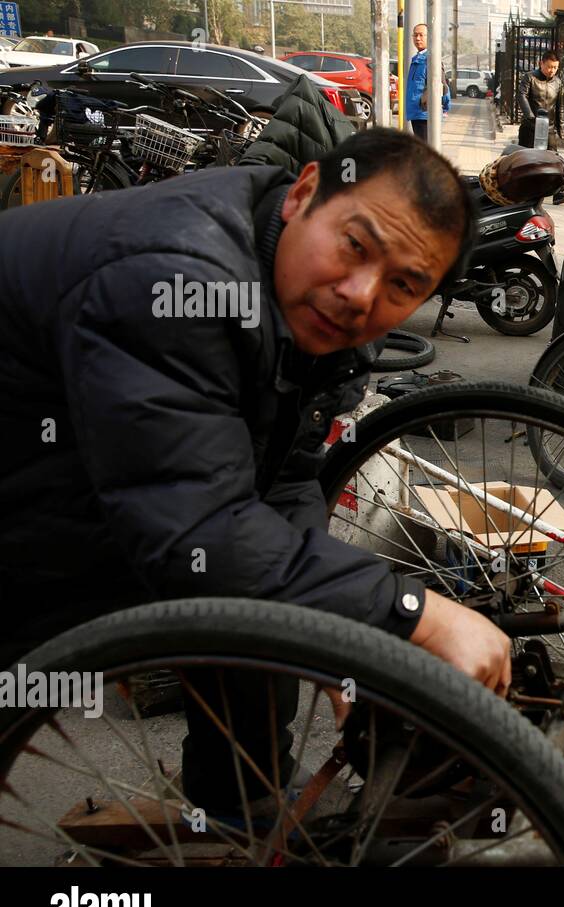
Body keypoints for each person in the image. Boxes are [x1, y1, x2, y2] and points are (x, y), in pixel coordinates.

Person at [0, 128, 512, 806]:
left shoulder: (306, 304)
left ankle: (240, 802)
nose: (363, 295)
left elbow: (284, 481)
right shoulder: (178, 277)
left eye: (404, 284)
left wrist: (345, 632)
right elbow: (200, 533)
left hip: (76, 451)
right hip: (28, 477)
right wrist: (410, 612)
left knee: (266, 607)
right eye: (355, 246)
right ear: (303, 193)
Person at [517, 49, 564, 204]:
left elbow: (560, 107)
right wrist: (531, 117)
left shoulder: (558, 82)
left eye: (555, 67)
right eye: (549, 67)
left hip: (549, 128)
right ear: (541, 63)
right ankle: (523, 191)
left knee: (554, 159)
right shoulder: (530, 78)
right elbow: (521, 96)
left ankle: (559, 191)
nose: (552, 70)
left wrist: (561, 128)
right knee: (527, 160)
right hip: (530, 127)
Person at [407, 22, 429, 140]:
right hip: (416, 113)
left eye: (421, 35)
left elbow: (442, 87)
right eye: (415, 35)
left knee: (425, 149)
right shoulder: (416, 59)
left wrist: (445, 107)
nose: (417, 38)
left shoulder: (430, 59)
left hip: (424, 114)